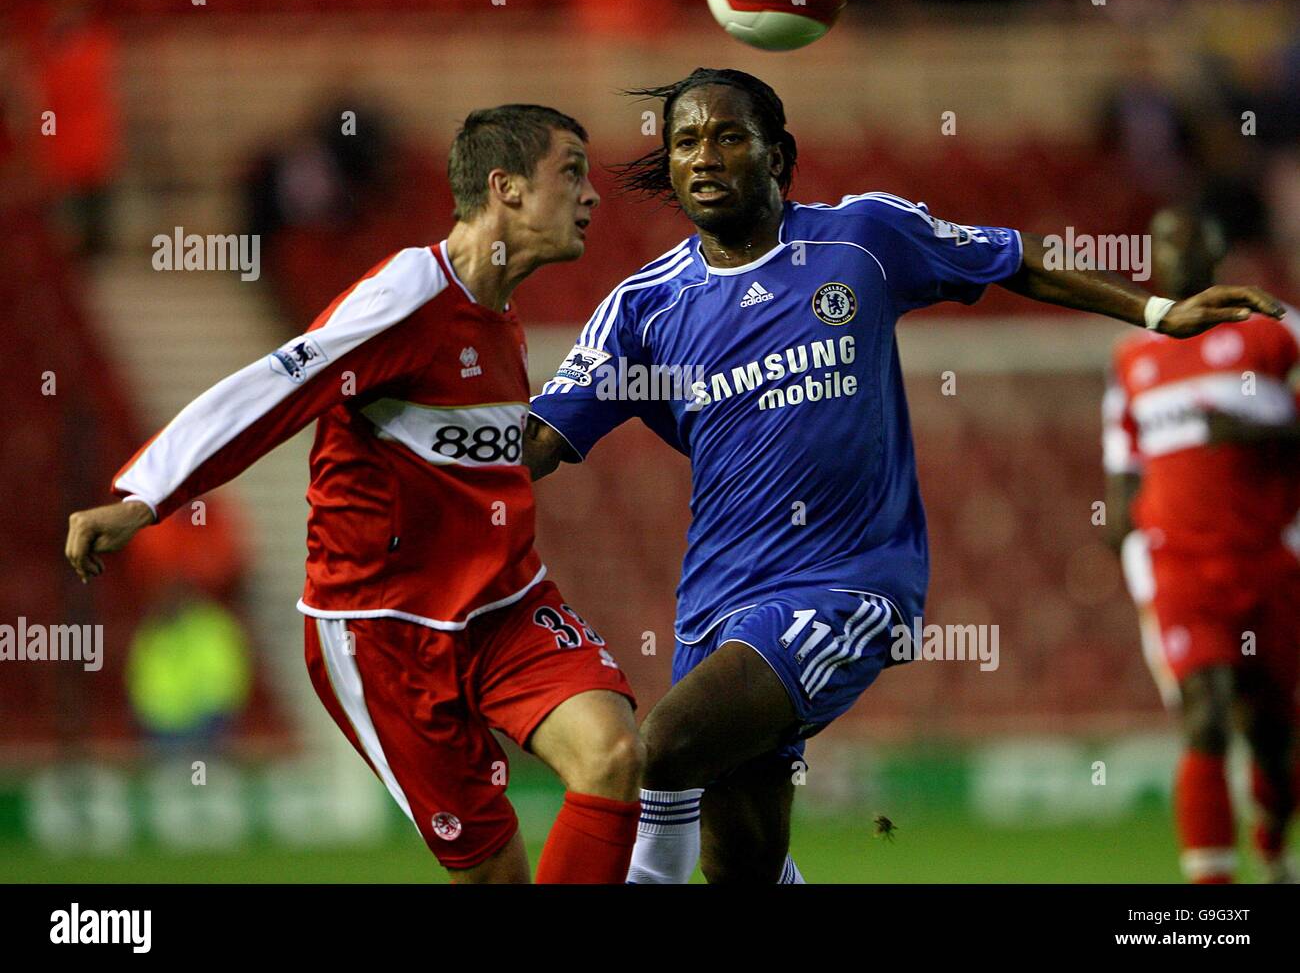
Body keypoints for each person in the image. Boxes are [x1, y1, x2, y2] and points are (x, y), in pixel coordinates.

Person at [523, 67, 1284, 884]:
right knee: (744, 866)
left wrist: (1156, 313)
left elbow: (1013, 260)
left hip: (852, 584)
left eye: (728, 136)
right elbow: (540, 437)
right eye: (684, 141)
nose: (704, 156)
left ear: (779, 155)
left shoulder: (864, 239)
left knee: (665, 747)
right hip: (715, 604)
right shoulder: (645, 307)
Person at [66, 105, 644, 884]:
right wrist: (144, 495)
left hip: (504, 603)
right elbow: (275, 388)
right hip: (383, 630)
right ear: (504, 188)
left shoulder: (499, 322)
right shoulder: (409, 294)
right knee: (494, 874)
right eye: (569, 172)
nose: (591, 195)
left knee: (613, 753)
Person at [1103, 205, 1300, 884]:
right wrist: (1121, 523)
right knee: (1205, 718)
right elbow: (1123, 466)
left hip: (1269, 561)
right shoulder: (1134, 356)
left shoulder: (1274, 334)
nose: (1173, 251)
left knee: (1275, 738)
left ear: (1218, 248)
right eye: (1162, 240)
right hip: (1179, 565)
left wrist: (1256, 433)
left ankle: (1273, 847)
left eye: (1188, 236)